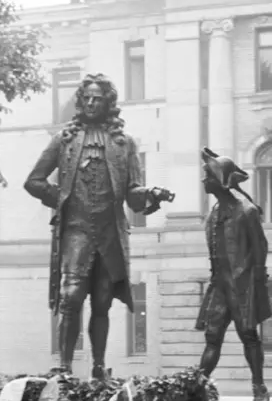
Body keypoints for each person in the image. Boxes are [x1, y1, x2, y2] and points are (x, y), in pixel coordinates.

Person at [23, 72, 173, 380]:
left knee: (102, 302)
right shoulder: (64, 140)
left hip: (109, 233)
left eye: (98, 99)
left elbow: (132, 195)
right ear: (80, 102)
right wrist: (61, 198)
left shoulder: (124, 144)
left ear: (108, 104)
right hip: (76, 230)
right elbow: (33, 181)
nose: (91, 103)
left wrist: (151, 195)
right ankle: (64, 366)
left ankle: (99, 367)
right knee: (71, 296)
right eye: (87, 98)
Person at [194, 147, 272, 401]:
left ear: (219, 180)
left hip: (242, 285)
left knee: (248, 336)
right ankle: (198, 385)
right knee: (212, 336)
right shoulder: (213, 214)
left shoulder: (246, 212)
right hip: (220, 286)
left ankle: (259, 387)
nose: (204, 179)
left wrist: (257, 284)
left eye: (207, 175)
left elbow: (260, 248)